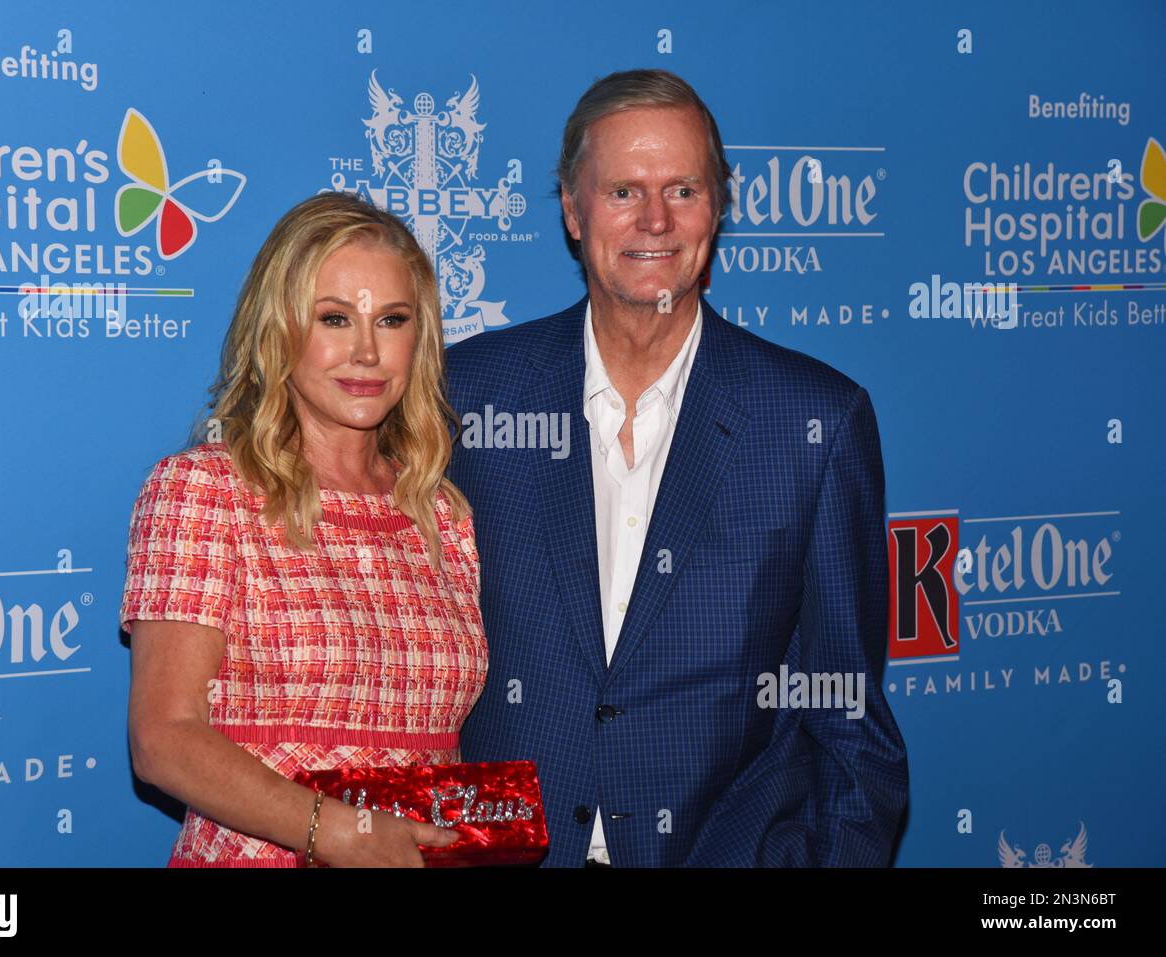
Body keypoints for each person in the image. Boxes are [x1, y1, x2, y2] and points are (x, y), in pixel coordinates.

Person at [446, 69, 909, 866]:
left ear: (719, 205)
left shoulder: (816, 422)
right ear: (571, 207)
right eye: (623, 189)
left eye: (683, 189)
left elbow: (847, 722)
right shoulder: (467, 395)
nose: (655, 219)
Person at [121, 192, 486, 867]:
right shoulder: (207, 491)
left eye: (394, 319)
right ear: (279, 330)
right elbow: (163, 736)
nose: (368, 351)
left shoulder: (442, 515)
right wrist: (338, 831)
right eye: (335, 318)